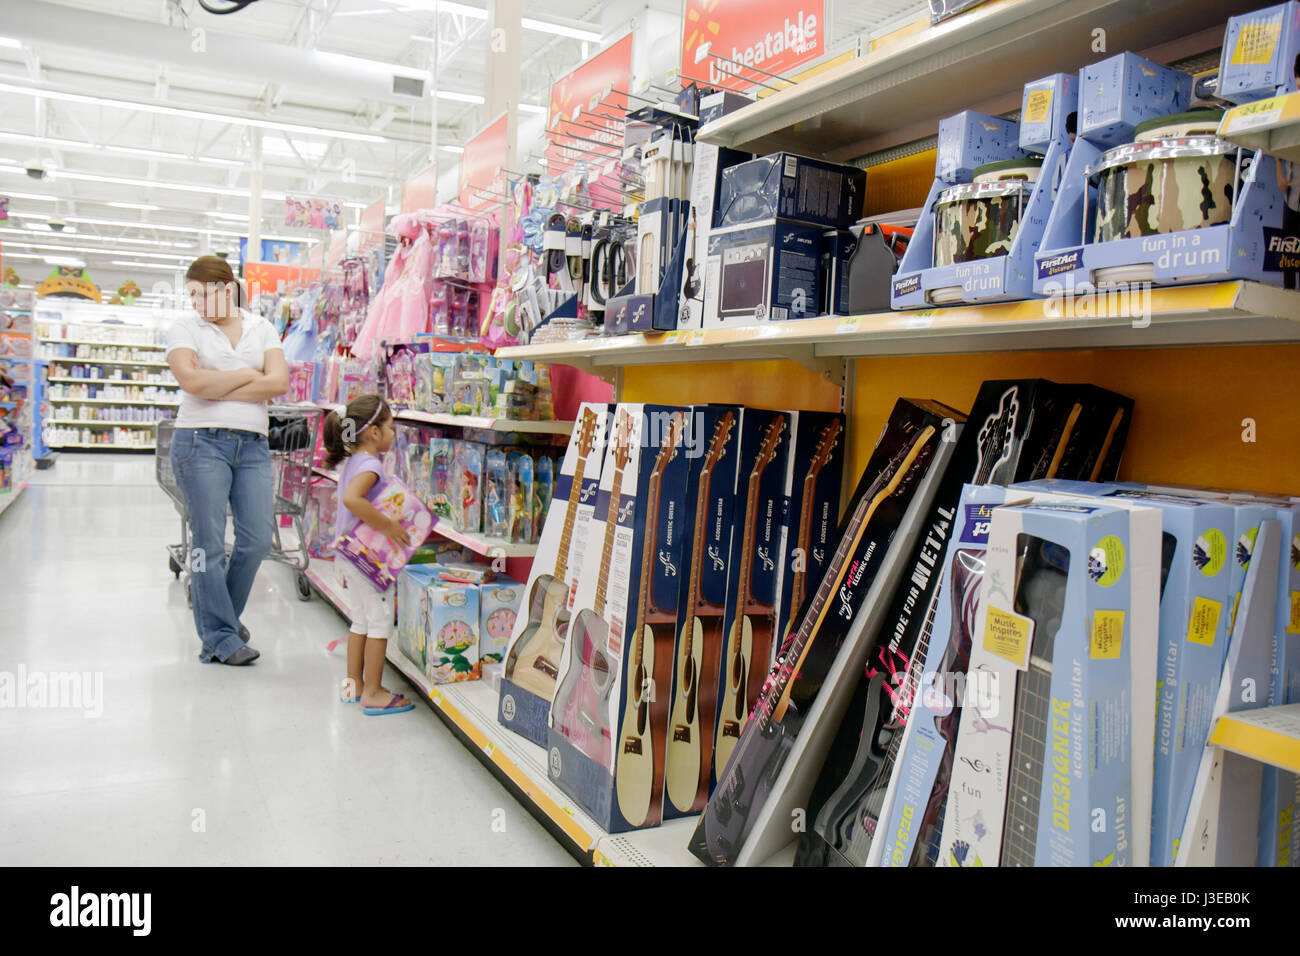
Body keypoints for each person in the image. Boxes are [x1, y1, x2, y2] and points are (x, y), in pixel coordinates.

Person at [166, 255, 289, 665]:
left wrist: (217, 383)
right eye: (192, 294)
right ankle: (220, 636)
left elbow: (280, 382)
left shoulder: (262, 327)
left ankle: (223, 624)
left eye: (202, 293)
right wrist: (251, 377)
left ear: (225, 289)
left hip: (252, 446)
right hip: (199, 442)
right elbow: (192, 382)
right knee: (208, 544)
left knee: (256, 540)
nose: (196, 301)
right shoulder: (185, 328)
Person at [323, 395, 415, 715]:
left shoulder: (353, 460)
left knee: (360, 619)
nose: (394, 433)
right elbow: (352, 499)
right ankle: (374, 692)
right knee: (379, 622)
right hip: (366, 560)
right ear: (374, 432)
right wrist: (389, 525)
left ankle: (354, 685)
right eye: (391, 427)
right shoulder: (372, 465)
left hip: (349, 556)